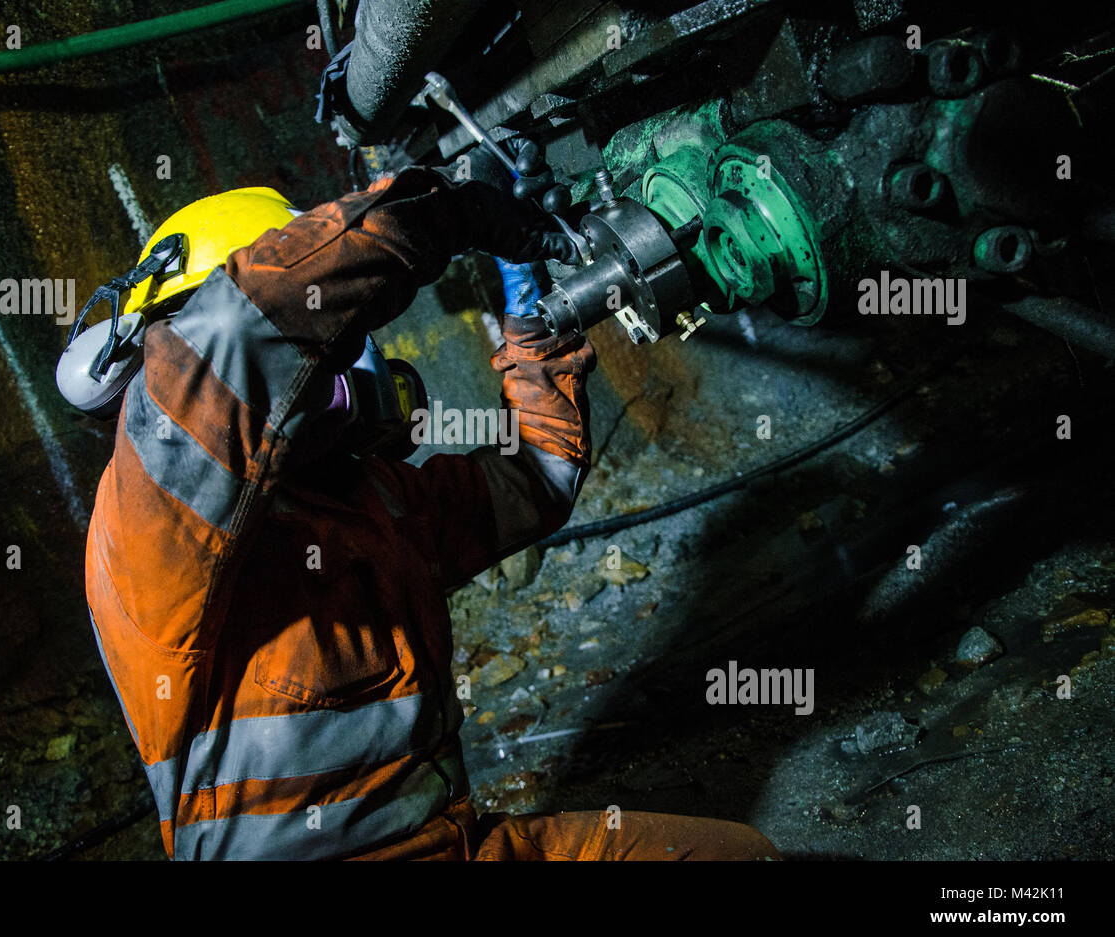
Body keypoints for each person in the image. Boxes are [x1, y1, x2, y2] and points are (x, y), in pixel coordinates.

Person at [63, 141, 780, 861]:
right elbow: (234, 332)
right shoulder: (150, 517)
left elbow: (537, 478)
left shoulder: (359, 499)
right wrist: (447, 208)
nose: (345, 363)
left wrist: (535, 314)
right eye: (326, 343)